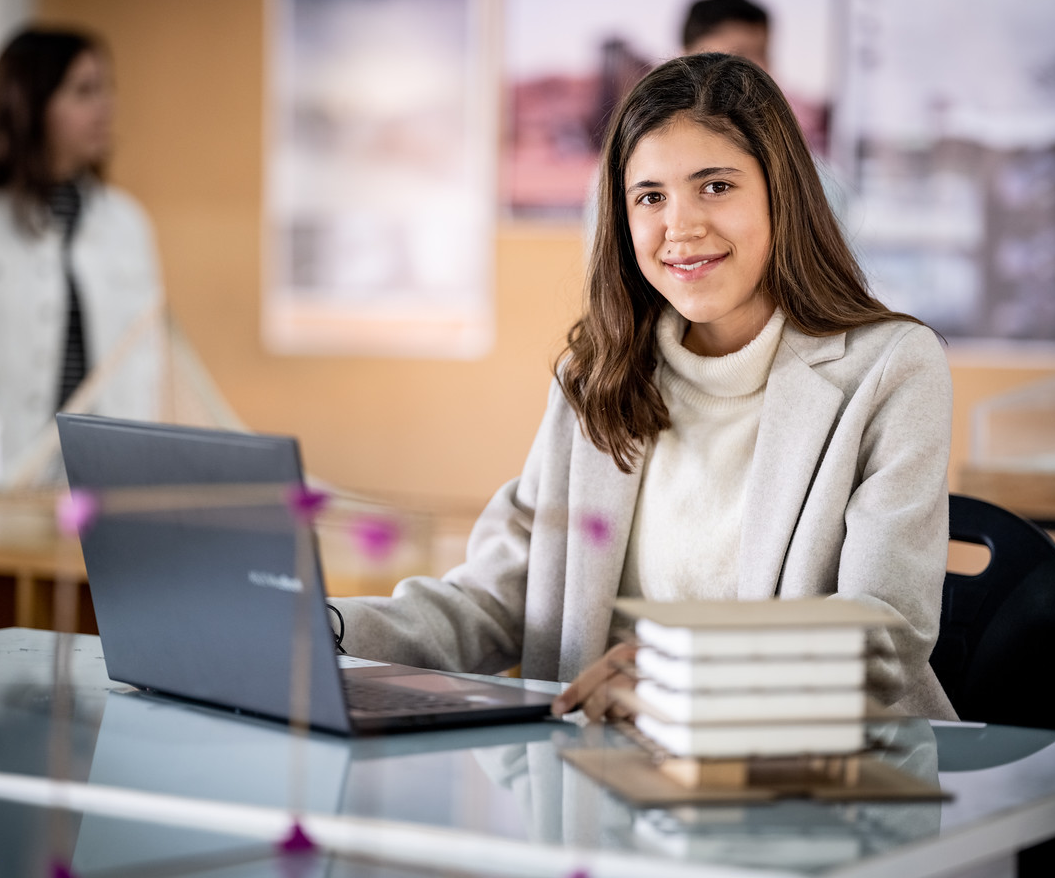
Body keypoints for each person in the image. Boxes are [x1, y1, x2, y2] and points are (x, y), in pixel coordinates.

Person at [333, 53, 955, 723]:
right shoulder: (596, 374)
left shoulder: (892, 368)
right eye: (650, 197)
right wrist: (323, 628)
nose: (680, 227)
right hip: (607, 783)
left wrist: (682, 673)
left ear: (783, 193)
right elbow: (494, 601)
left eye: (716, 186)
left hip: (816, 779)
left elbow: (885, 631)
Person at [0, 27, 162, 485]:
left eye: (106, 88)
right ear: (30, 104)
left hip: (100, 480)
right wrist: (9, 462)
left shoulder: (126, 223)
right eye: (84, 91)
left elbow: (143, 359)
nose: (105, 106)